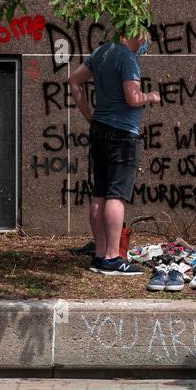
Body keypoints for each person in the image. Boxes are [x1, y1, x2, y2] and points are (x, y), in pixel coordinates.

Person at [70, 30, 160, 276]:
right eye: (147, 37)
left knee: (99, 193)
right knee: (116, 195)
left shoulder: (101, 52)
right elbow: (132, 98)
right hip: (122, 133)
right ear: (138, 33)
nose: (146, 43)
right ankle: (112, 258)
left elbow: (74, 80)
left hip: (99, 129)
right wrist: (150, 96)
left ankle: (100, 255)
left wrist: (90, 115)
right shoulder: (127, 58)